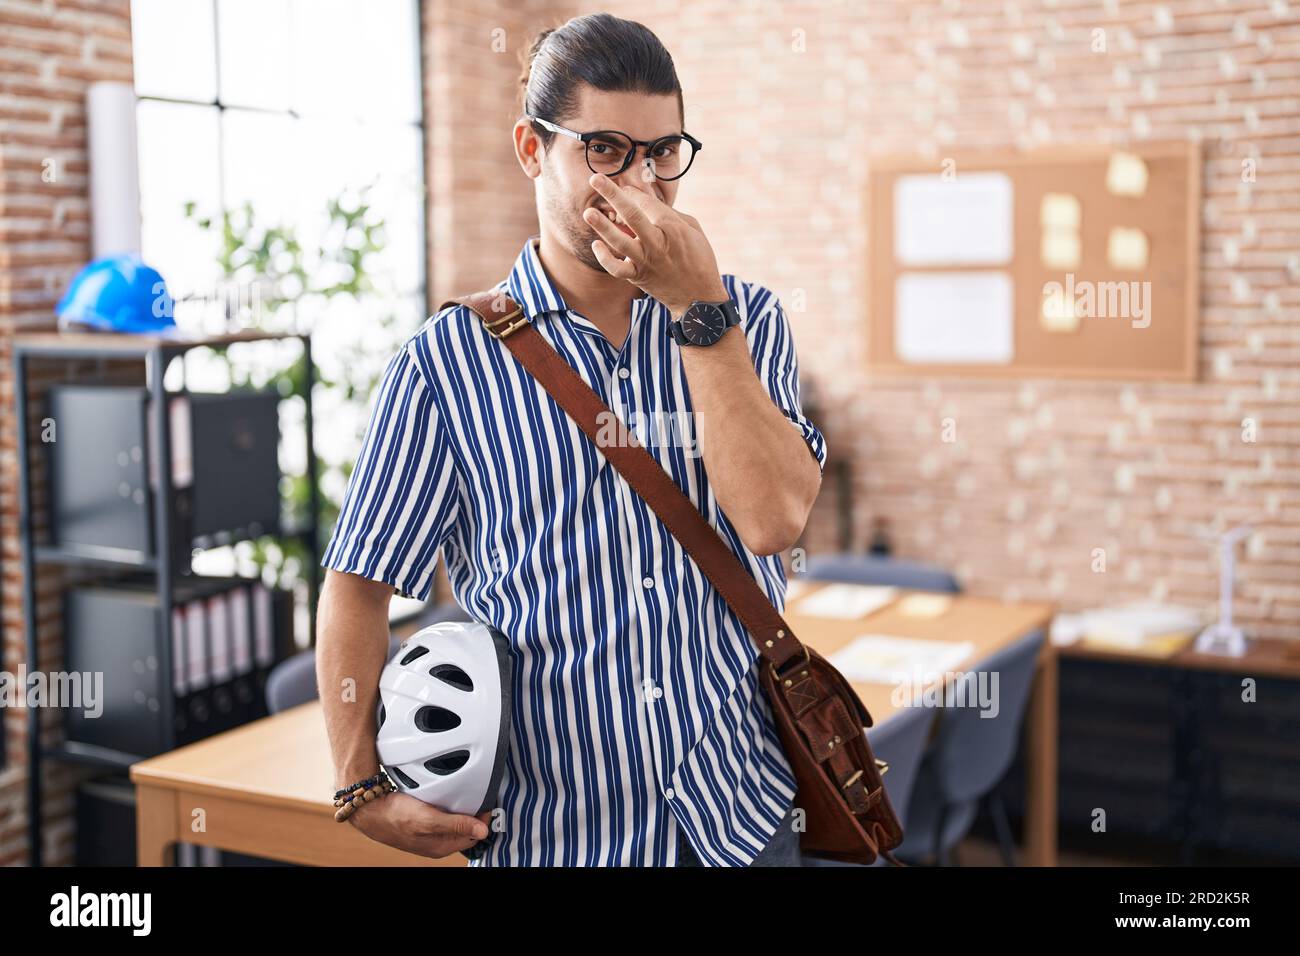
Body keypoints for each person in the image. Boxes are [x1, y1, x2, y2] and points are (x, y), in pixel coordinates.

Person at [316, 11, 825, 867]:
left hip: (743, 814)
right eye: (606, 150)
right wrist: (358, 781)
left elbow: (774, 521)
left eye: (663, 154)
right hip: (555, 834)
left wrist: (701, 314)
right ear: (530, 149)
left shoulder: (747, 321)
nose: (640, 185)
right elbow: (360, 581)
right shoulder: (446, 361)